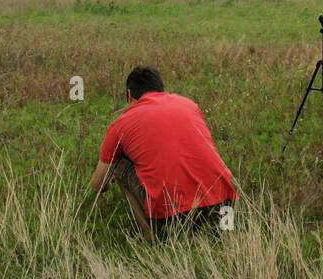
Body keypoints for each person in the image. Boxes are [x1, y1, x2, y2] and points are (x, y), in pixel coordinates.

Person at [90, 66, 237, 241]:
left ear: (129, 96)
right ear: (162, 89)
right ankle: (223, 232)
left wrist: (108, 182)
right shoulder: (189, 104)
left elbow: (97, 185)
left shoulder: (120, 125)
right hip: (224, 205)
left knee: (120, 166)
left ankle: (151, 237)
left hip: (173, 215)